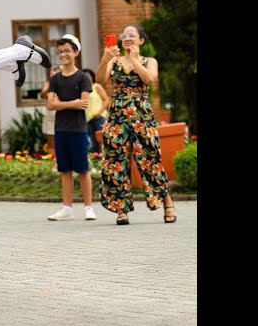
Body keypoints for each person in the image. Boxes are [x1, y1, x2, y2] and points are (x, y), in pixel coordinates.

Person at [97, 25, 175, 225]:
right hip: (116, 118)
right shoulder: (113, 61)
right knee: (116, 162)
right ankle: (121, 210)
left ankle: (167, 203)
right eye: (124, 36)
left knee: (150, 159)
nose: (127, 38)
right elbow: (99, 81)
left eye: (132, 35)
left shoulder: (150, 61)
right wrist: (106, 58)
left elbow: (149, 79)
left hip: (142, 117)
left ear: (141, 40)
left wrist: (133, 59)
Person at [45, 35, 96, 221]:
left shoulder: (83, 77)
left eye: (67, 50)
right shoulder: (56, 79)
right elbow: (50, 105)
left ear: (76, 52)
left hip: (79, 129)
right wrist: (71, 103)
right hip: (61, 129)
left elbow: (84, 103)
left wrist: (62, 103)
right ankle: (66, 208)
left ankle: (88, 207)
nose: (63, 54)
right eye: (60, 52)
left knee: (82, 169)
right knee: (65, 170)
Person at [84, 69, 108, 154]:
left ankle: (104, 160)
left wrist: (99, 112)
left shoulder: (96, 86)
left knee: (102, 140)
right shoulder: (83, 90)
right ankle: (96, 161)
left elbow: (106, 100)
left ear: (91, 76)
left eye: (88, 76)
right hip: (88, 119)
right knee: (93, 142)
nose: (86, 77)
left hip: (99, 117)